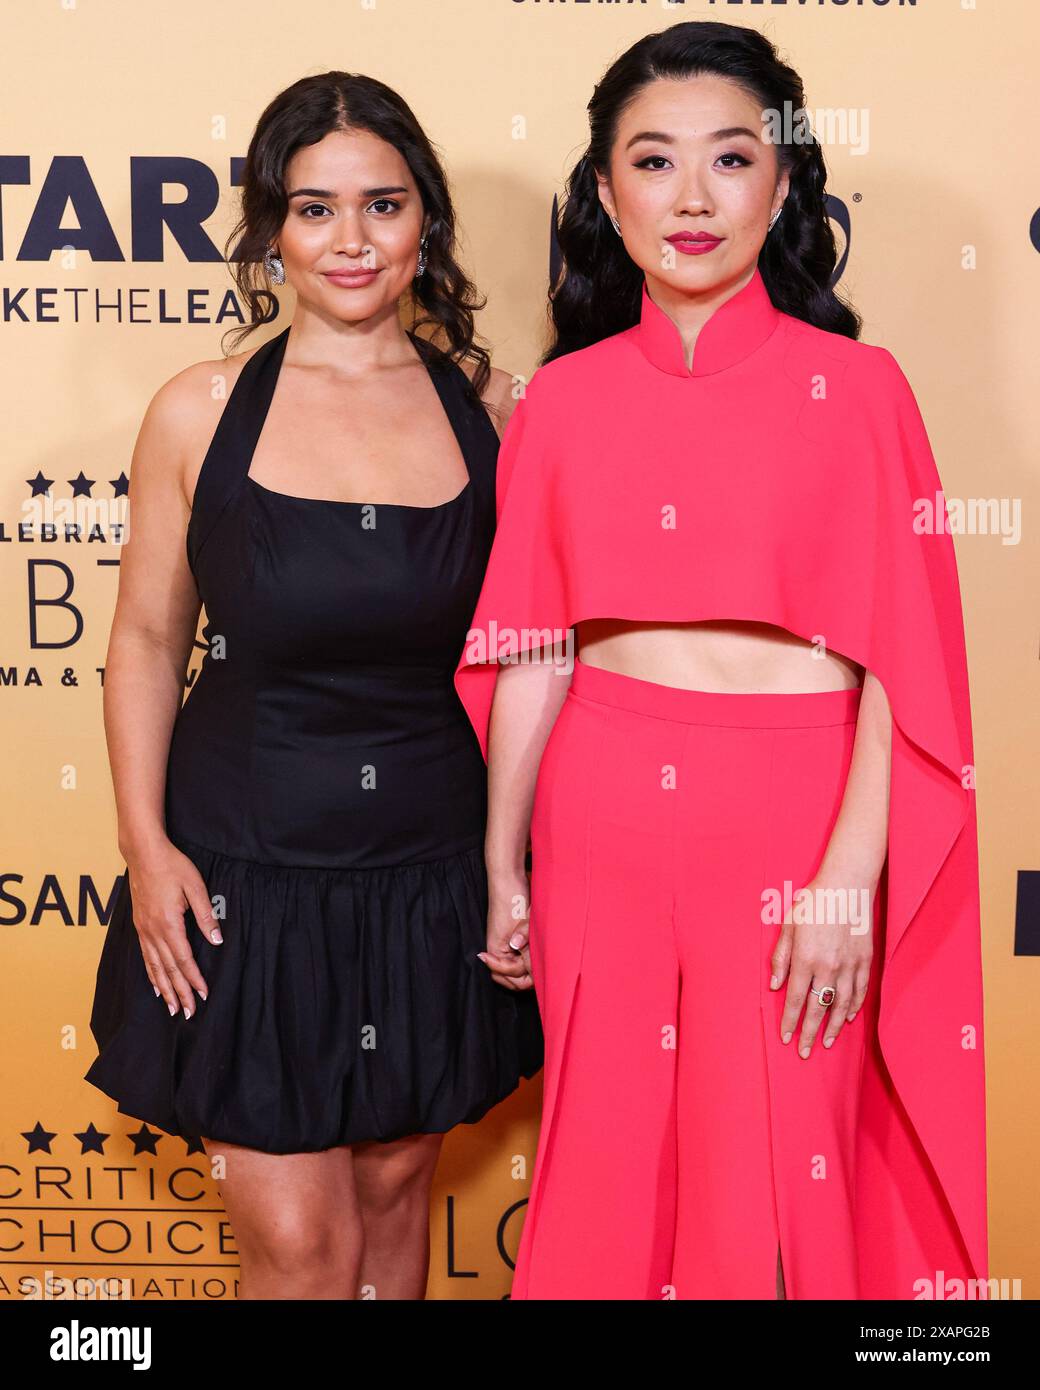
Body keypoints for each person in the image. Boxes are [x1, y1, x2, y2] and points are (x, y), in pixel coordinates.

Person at [456, 21, 987, 1300]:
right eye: (651, 162)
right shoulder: (562, 400)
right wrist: (501, 858)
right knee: (612, 1163)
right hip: (599, 822)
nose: (689, 199)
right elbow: (533, 650)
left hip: (796, 824)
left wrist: (846, 878)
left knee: (788, 1164)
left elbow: (897, 670)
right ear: (602, 191)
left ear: (785, 183)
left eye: (730, 159)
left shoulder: (859, 390)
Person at [85, 70, 542, 1301]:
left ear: (427, 225)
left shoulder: (500, 415)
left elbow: (540, 653)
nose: (350, 241)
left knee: (394, 1214)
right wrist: (145, 847)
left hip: (428, 874)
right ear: (270, 230)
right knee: (301, 1247)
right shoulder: (200, 409)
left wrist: (515, 866)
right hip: (243, 877)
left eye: (383, 206)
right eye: (313, 209)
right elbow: (141, 640)